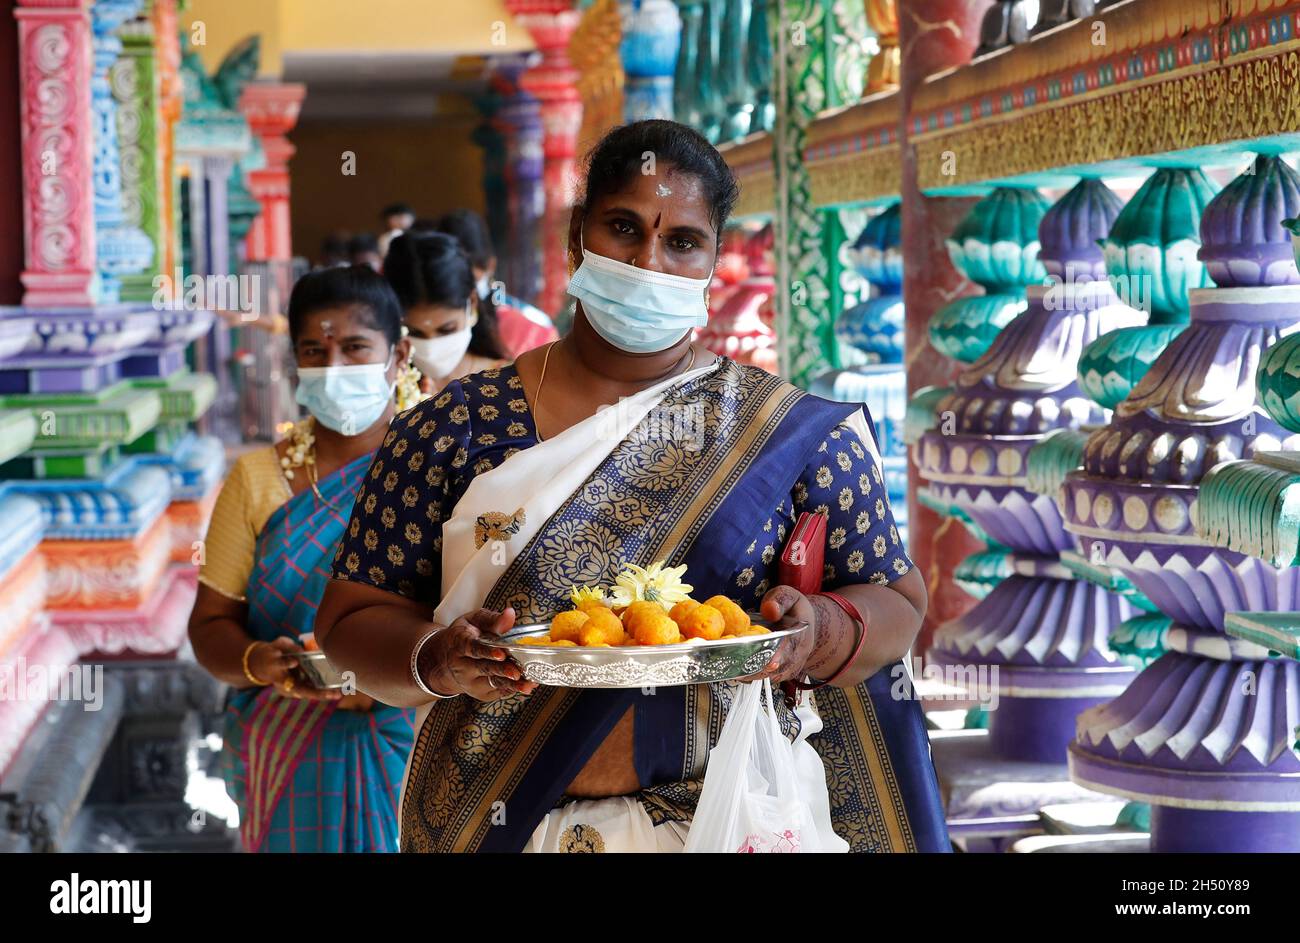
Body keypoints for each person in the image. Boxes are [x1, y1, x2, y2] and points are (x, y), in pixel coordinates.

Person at [314, 119, 948, 853]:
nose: (650, 261)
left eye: (682, 240)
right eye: (623, 227)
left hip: (728, 823)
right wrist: (436, 658)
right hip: (496, 825)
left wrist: (822, 630)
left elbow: (899, 605)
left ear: (714, 259)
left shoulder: (787, 434)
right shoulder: (453, 427)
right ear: (577, 234)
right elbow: (348, 624)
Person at [188, 265, 417, 852]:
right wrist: (259, 661)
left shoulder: (436, 469)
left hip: (412, 734)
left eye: (355, 347)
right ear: (295, 360)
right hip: (281, 738)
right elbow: (211, 623)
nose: (334, 367)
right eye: (315, 350)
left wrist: (395, 674)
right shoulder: (258, 479)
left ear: (399, 353)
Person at [383, 230, 508, 396]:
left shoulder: (511, 385)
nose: (431, 349)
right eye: (415, 333)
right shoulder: (382, 394)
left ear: (471, 303)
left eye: (447, 329)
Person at [435, 208, 559, 357]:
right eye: (453, 280)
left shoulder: (531, 327)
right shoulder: (423, 334)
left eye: (471, 279)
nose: (464, 289)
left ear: (491, 265)